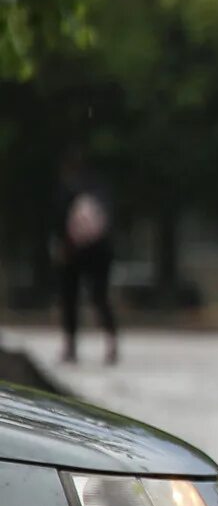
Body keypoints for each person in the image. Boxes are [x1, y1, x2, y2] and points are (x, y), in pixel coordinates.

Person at [52, 155, 118, 367]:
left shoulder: (66, 190)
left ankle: (71, 346)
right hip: (100, 249)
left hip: (73, 250)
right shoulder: (100, 188)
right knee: (99, 296)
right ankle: (111, 343)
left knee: (70, 298)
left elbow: (59, 220)